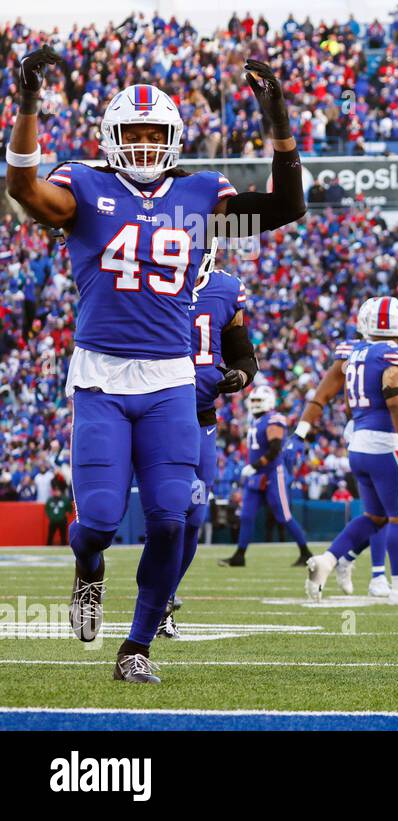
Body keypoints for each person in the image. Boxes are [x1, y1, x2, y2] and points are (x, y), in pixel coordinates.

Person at [5, 49, 304, 684]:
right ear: (112, 138)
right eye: (133, 134)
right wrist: (28, 108)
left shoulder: (200, 192)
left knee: (172, 516)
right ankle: (88, 570)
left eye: (155, 135)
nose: (143, 146)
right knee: (101, 521)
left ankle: (136, 646)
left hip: (170, 379)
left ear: (172, 140)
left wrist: (278, 120)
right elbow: (23, 189)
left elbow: (285, 206)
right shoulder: (85, 184)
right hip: (101, 378)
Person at [303, 297, 398, 605]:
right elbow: (396, 403)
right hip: (386, 444)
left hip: (358, 443)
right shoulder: (395, 354)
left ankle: (328, 560)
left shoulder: (354, 352)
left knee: (375, 516)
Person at [159, 251, 259, 639]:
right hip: (156, 412)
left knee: (194, 518)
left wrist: (240, 376)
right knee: (164, 516)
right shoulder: (150, 280)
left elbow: (243, 354)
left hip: (201, 416)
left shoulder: (225, 289)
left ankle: (164, 598)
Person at [221, 385, 313, 567]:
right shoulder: (256, 421)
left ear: (269, 401)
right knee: (246, 516)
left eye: (258, 400)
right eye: (253, 400)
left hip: (272, 474)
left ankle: (306, 553)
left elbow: (274, 449)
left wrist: (254, 466)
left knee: (284, 516)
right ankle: (239, 556)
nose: (255, 404)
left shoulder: (274, 419)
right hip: (255, 476)